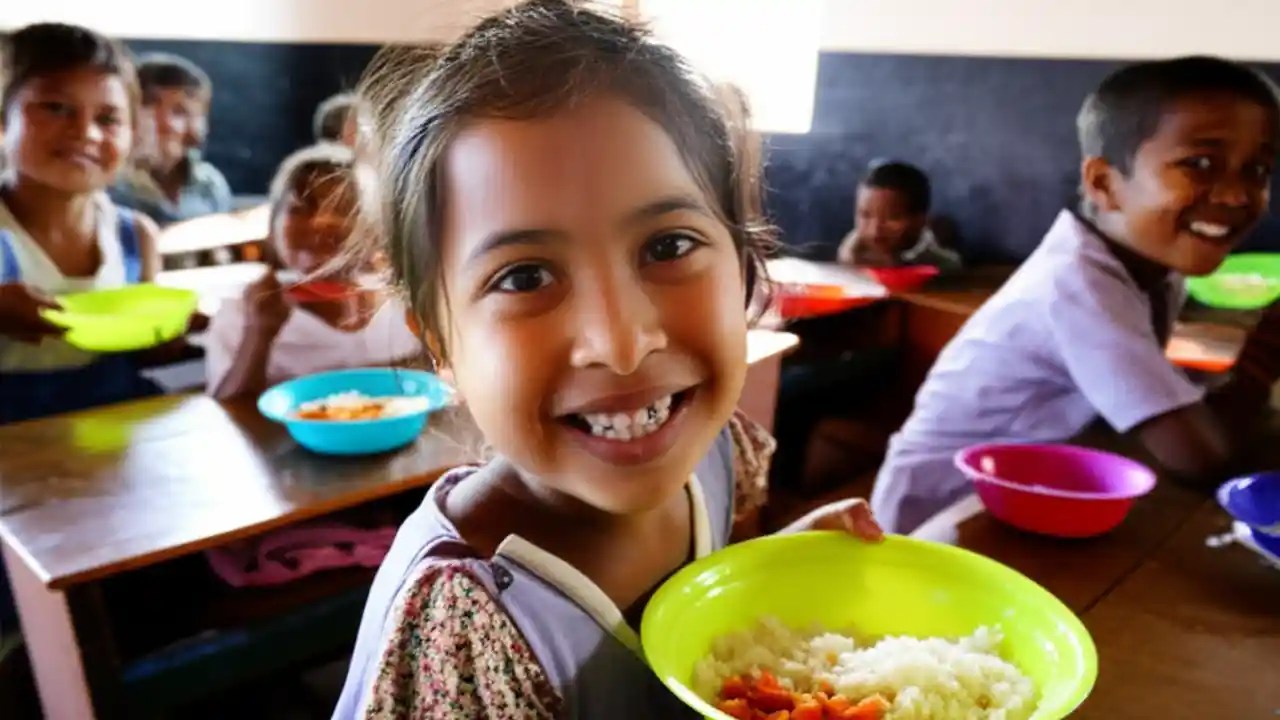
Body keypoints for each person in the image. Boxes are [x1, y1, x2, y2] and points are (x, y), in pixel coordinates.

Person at [332, 2, 884, 718]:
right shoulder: (468, 621)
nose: (622, 343)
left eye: (668, 247)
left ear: (745, 271)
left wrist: (769, 572)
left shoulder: (714, 454)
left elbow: (693, 630)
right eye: (524, 277)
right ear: (439, 340)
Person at [871, 56, 1280, 533]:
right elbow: (1200, 460)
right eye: (1201, 164)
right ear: (1104, 183)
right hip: (947, 514)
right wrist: (1263, 353)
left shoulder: (1154, 265)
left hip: (1035, 485)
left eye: (1258, 169)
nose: (1237, 195)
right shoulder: (1079, 287)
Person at [0, 23, 167, 425]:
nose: (85, 133)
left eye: (109, 118)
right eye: (56, 108)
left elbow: (144, 356)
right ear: (3, 120)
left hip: (107, 442)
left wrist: (168, 332)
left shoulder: (135, 237)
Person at [204, 143, 421, 399]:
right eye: (300, 208)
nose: (321, 222)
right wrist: (259, 333)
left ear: (375, 232)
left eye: (342, 208)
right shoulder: (241, 313)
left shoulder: (402, 305)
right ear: (272, 232)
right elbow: (228, 416)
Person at [110, 52, 232, 225]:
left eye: (179, 111)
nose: (165, 122)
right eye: (149, 105)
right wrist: (137, 171)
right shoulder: (106, 181)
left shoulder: (210, 185)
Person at [836, 160, 962, 272]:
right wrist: (848, 255)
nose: (875, 229)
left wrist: (898, 267)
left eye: (891, 218)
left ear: (920, 221)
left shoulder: (939, 262)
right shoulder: (856, 246)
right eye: (865, 215)